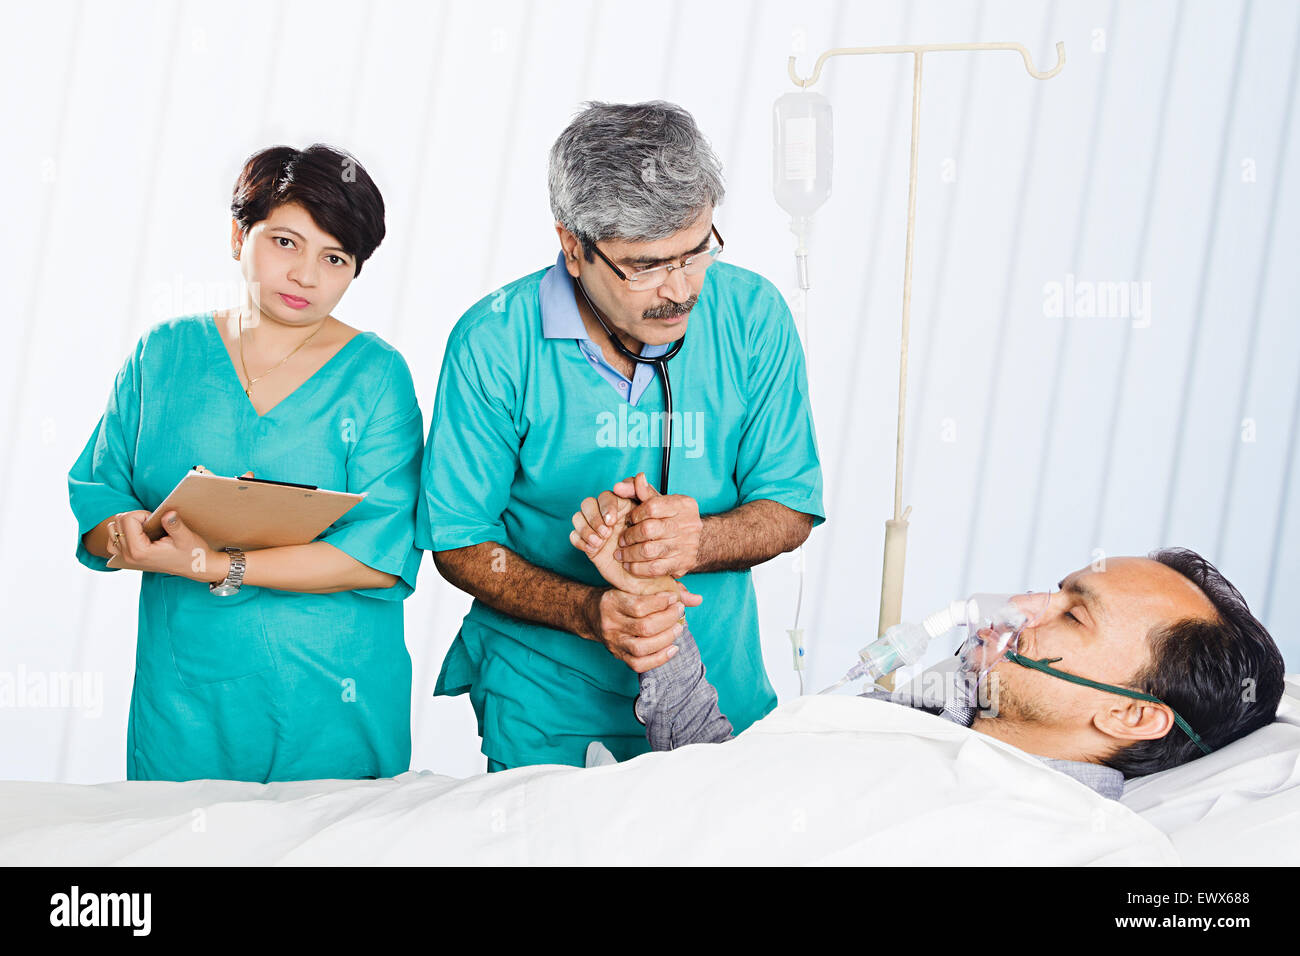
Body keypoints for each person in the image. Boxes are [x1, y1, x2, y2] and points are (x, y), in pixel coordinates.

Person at [419, 101, 825, 771]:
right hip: (546, 700)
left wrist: (698, 538)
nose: (680, 290)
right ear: (573, 247)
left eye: (695, 253)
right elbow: (460, 541)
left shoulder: (755, 316)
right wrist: (590, 612)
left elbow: (789, 507)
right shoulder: (492, 342)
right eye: (645, 266)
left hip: (719, 687)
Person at [67, 144, 424, 783]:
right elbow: (100, 497)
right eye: (285, 242)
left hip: (332, 691)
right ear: (239, 233)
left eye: (334, 258)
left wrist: (214, 561)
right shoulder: (163, 355)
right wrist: (144, 537)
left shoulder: (376, 376)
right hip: (188, 696)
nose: (306, 275)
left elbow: (379, 553)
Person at [573, 487, 1286, 799]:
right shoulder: (938, 721)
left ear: (1132, 714)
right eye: (1056, 588)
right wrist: (649, 603)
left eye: (1073, 616)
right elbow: (716, 781)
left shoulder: (1035, 836)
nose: (1028, 606)